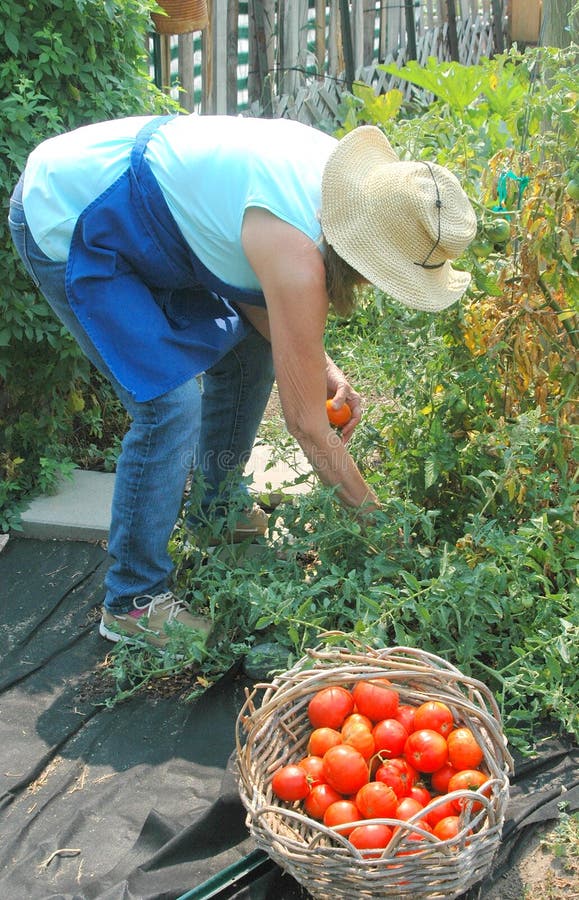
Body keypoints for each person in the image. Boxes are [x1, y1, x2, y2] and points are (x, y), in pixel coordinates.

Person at [9, 114, 477, 651]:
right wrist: (386, 533)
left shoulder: (340, 188)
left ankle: (215, 509)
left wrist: (321, 368)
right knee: (169, 407)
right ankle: (133, 601)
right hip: (73, 210)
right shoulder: (297, 243)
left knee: (249, 351)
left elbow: (257, 293)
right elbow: (306, 425)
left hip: (147, 212)